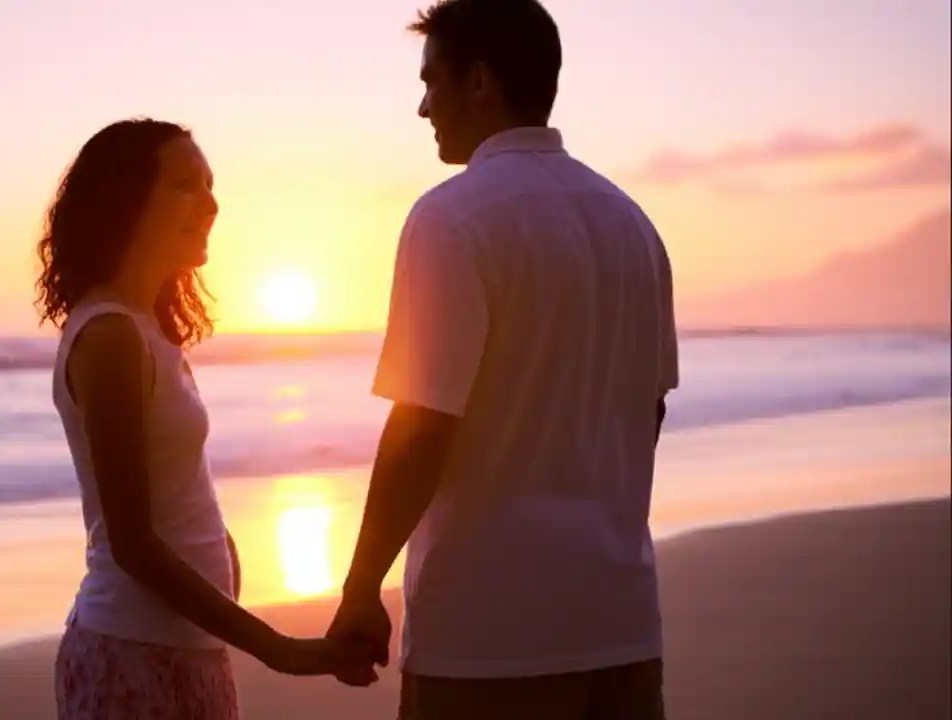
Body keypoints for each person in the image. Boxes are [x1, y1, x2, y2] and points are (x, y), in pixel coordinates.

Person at [328, 1, 679, 718]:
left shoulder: (452, 218)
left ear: (478, 81)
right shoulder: (634, 224)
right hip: (621, 626)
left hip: (489, 638)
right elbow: (647, 409)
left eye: (432, 81)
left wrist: (361, 586)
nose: (422, 106)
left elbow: (424, 422)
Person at [37, 118, 376, 720]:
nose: (212, 204)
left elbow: (176, 499)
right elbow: (134, 544)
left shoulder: (145, 330)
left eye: (210, 185)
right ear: (128, 198)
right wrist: (283, 651)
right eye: (186, 185)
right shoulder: (111, 336)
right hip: (133, 658)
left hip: (184, 651)